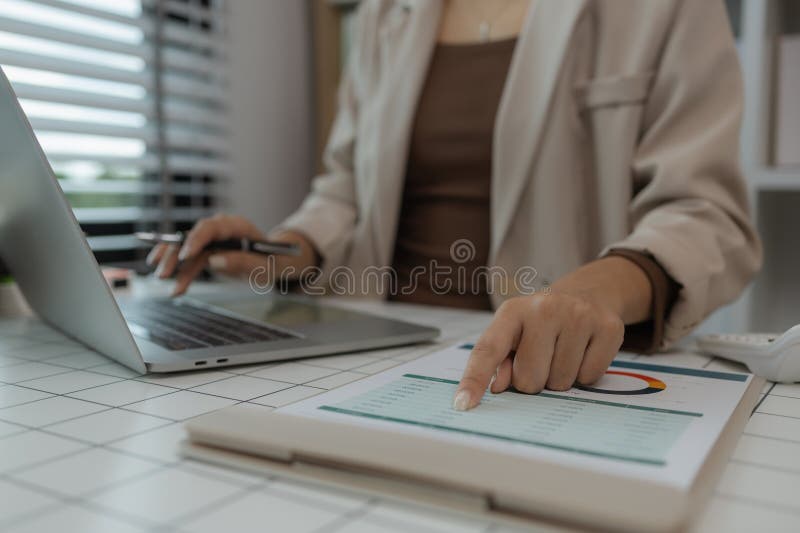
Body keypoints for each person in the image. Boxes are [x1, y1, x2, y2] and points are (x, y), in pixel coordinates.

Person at [148, 0, 761, 411]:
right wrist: (276, 251)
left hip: (549, 373)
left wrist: (591, 292)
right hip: (378, 352)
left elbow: (706, 212)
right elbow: (341, 191)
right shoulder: (383, 14)